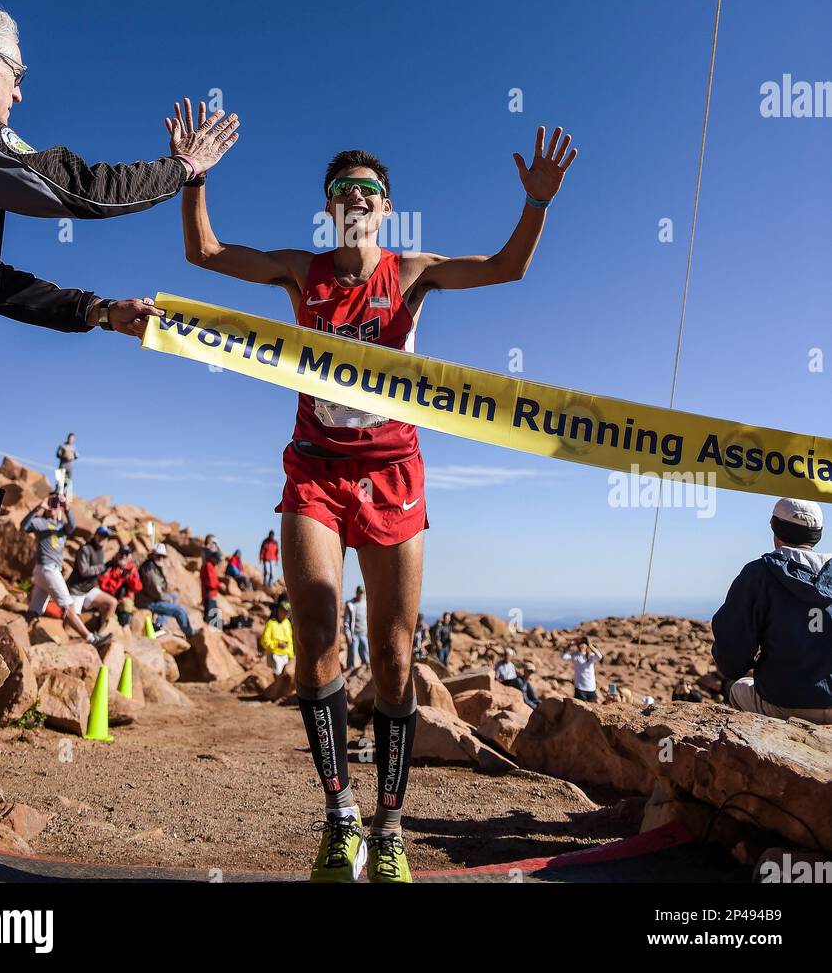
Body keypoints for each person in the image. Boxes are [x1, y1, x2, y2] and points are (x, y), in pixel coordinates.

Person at [171, 92, 577, 883]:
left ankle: (390, 827)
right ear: (329, 208)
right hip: (315, 469)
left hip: (394, 471)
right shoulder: (302, 271)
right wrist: (194, 179)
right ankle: (340, 818)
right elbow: (206, 255)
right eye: (344, 189)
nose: (357, 197)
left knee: (393, 659)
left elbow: (509, 267)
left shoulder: (413, 272)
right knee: (317, 635)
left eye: (370, 190)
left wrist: (534, 202)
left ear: (387, 209)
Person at [0, 0, 239, 821]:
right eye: (17, 73)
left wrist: (93, 310)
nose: (21, 92)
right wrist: (181, 172)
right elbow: (71, 187)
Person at [712, 498, 832, 723]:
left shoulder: (758, 574)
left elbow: (732, 656)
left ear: (775, 529)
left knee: (738, 688)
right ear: (818, 534)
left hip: (784, 702)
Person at [22, 493, 110, 646]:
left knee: (34, 610)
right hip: (48, 569)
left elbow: (72, 527)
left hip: (46, 571)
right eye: (50, 502)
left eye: (55, 503)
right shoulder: (41, 522)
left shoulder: (60, 527)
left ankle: (18, 636)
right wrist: (38, 507)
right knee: (68, 606)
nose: (53, 506)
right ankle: (91, 638)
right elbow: (24, 526)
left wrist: (67, 508)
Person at [136, 543, 196, 638]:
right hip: (148, 601)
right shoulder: (149, 569)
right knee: (179, 610)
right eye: (159, 555)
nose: (161, 558)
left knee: (173, 597)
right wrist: (163, 597)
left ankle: (158, 625)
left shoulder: (153, 566)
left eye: (163, 556)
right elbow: (154, 590)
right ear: (153, 555)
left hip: (151, 598)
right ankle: (190, 634)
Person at [66, 524, 118, 633]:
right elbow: (84, 571)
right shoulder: (85, 549)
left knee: (112, 603)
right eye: (100, 535)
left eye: (105, 537)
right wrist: (104, 566)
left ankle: (101, 635)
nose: (102, 538)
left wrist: (112, 567)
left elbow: (99, 573)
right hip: (77, 590)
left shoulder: (100, 552)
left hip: (89, 589)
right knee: (71, 622)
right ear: (95, 535)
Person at [99, 545, 141, 627]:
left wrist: (129, 577)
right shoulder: (110, 566)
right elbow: (104, 587)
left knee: (126, 606)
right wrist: (122, 578)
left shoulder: (131, 568)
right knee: (111, 620)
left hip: (124, 602)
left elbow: (137, 588)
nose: (123, 556)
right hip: (110, 600)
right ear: (118, 554)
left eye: (126, 554)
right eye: (122, 553)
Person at [561, 636, 604, 702]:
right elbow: (563, 656)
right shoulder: (575, 655)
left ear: (586, 645)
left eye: (583, 643)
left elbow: (599, 656)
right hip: (580, 688)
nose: (581, 645)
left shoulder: (590, 655)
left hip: (591, 688)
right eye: (579, 644)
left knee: (590, 709)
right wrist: (569, 645)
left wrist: (590, 645)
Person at [260, 597, 295, 674]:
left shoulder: (287, 623)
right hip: (274, 655)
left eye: (288, 612)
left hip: (285, 656)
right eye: (284, 611)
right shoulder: (271, 623)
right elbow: (264, 641)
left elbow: (290, 641)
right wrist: (276, 644)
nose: (286, 614)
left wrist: (291, 655)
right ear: (279, 610)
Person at [344, 586, 369, 671]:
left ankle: (365, 669)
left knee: (365, 651)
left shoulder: (366, 603)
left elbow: (368, 618)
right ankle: (350, 670)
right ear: (356, 593)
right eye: (359, 593)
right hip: (353, 634)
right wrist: (347, 633)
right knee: (352, 653)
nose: (361, 595)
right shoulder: (350, 604)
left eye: (362, 593)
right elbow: (346, 621)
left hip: (363, 633)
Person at [201, 542, 222, 626]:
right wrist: (219, 585)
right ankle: (207, 635)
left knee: (215, 619)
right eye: (217, 560)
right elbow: (210, 582)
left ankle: (215, 635)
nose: (217, 562)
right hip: (209, 594)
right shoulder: (208, 566)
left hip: (212, 595)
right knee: (209, 617)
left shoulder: (211, 566)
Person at [55, 432, 78, 498]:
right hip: (63, 464)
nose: (71, 440)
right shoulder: (62, 446)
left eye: (73, 439)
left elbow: (76, 455)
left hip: (70, 465)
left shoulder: (74, 447)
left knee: (68, 481)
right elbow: (57, 454)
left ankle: (64, 494)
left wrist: (74, 456)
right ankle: (56, 495)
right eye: (70, 438)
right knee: (59, 481)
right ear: (67, 438)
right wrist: (65, 457)